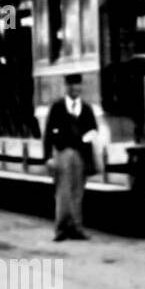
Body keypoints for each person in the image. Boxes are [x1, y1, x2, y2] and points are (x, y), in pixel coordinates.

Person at [43, 73, 98, 242]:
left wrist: (85, 141)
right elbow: (48, 135)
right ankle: (61, 229)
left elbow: (93, 131)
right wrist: (48, 157)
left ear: (81, 87)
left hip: (80, 154)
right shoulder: (58, 108)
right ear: (66, 88)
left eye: (77, 86)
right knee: (63, 192)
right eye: (71, 86)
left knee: (78, 193)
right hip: (63, 153)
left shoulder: (86, 109)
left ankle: (76, 228)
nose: (75, 89)